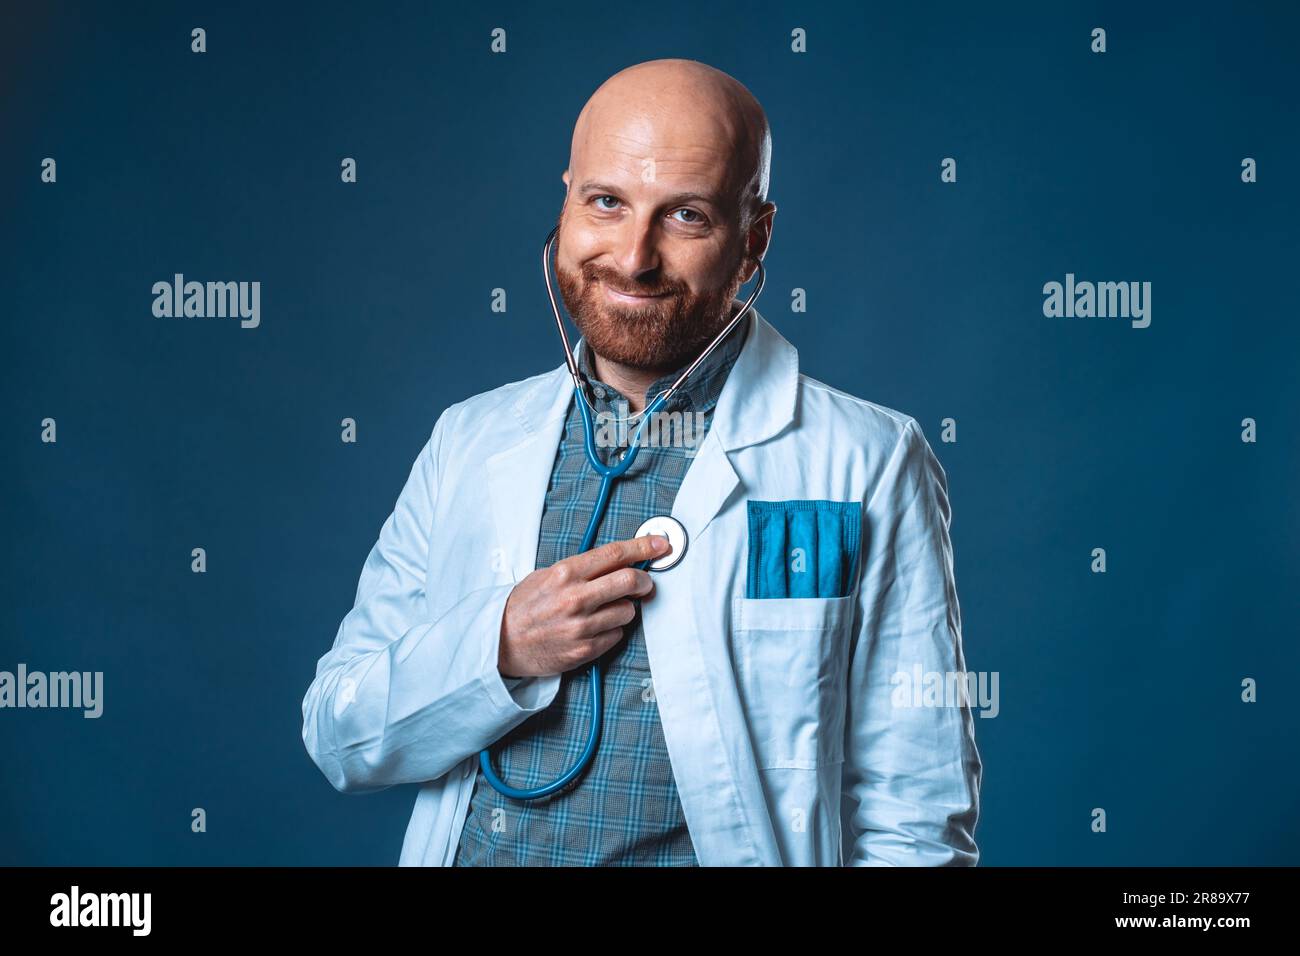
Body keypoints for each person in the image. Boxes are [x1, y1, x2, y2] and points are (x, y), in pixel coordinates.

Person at [301, 58, 982, 866]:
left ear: (754, 236)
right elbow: (339, 732)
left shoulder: (867, 462)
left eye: (686, 216)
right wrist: (500, 647)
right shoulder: (470, 440)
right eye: (606, 203)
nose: (633, 257)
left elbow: (918, 813)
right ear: (566, 199)